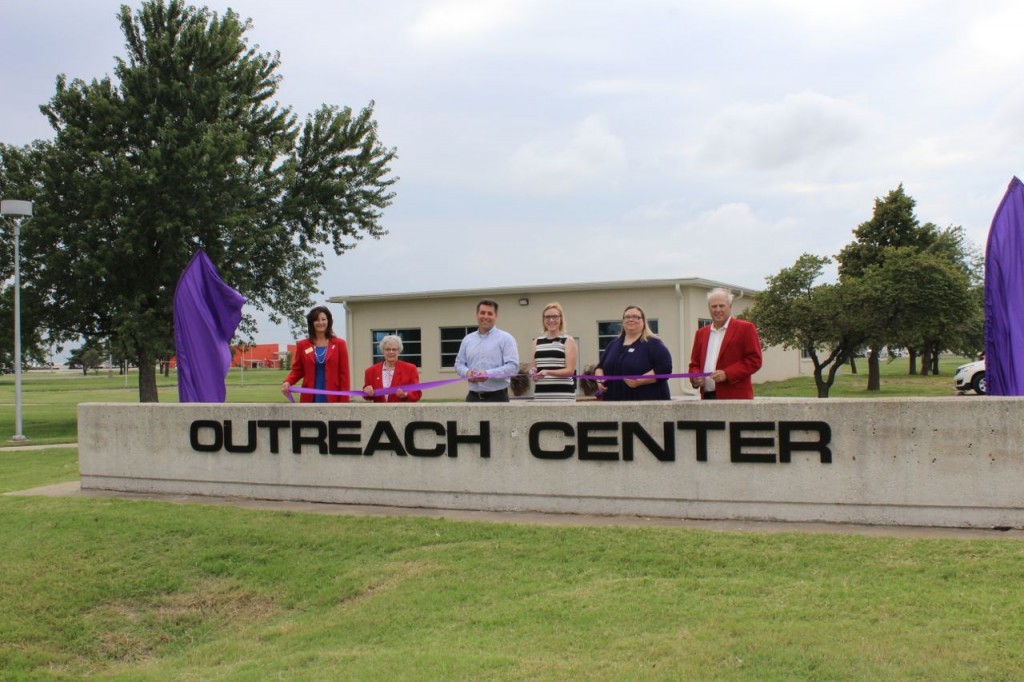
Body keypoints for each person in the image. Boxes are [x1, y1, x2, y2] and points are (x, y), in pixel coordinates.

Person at [688, 288, 763, 400]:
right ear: (709, 308)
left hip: (735, 398)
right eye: (714, 306)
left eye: (721, 306)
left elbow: (755, 360)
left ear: (730, 306)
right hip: (707, 397)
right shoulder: (701, 333)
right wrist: (695, 377)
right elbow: (694, 364)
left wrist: (727, 374)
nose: (717, 310)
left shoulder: (746, 328)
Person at [594, 305, 672, 400]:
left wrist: (639, 381)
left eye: (636, 317)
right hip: (614, 401)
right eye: (627, 317)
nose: (631, 319)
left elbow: (665, 369)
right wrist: (600, 381)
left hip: (646, 401)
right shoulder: (613, 344)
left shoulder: (654, 343)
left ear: (643, 321)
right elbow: (600, 367)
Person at [281, 305, 351, 403]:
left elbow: (344, 376)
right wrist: (288, 381)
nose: (321, 322)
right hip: (309, 397)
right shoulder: (302, 345)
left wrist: (344, 402)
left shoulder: (340, 344)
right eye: (317, 320)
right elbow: (297, 370)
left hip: (334, 397)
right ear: (312, 323)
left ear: (329, 321)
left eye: (323, 319)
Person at [455, 299, 520, 402]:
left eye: (490, 313)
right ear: (477, 315)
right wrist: (467, 373)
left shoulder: (506, 339)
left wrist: (488, 374)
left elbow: (513, 367)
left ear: (496, 316)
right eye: (482, 313)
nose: (485, 316)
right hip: (472, 398)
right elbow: (458, 364)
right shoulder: (467, 340)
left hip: (498, 398)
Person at [529, 302, 578, 401]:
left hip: (563, 396)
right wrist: (533, 373)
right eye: (547, 317)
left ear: (561, 319)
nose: (551, 320)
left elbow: (570, 371)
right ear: (543, 320)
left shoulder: (568, 340)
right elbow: (533, 368)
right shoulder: (536, 342)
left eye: (555, 317)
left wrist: (547, 372)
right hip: (541, 396)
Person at [362, 335, 422, 403]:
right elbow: (366, 396)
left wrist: (406, 394)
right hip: (379, 409)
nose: (391, 352)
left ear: (399, 351)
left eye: (394, 349)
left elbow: (417, 394)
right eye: (387, 349)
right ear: (383, 351)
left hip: (401, 409)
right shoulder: (370, 371)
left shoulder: (410, 369)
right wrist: (367, 392)